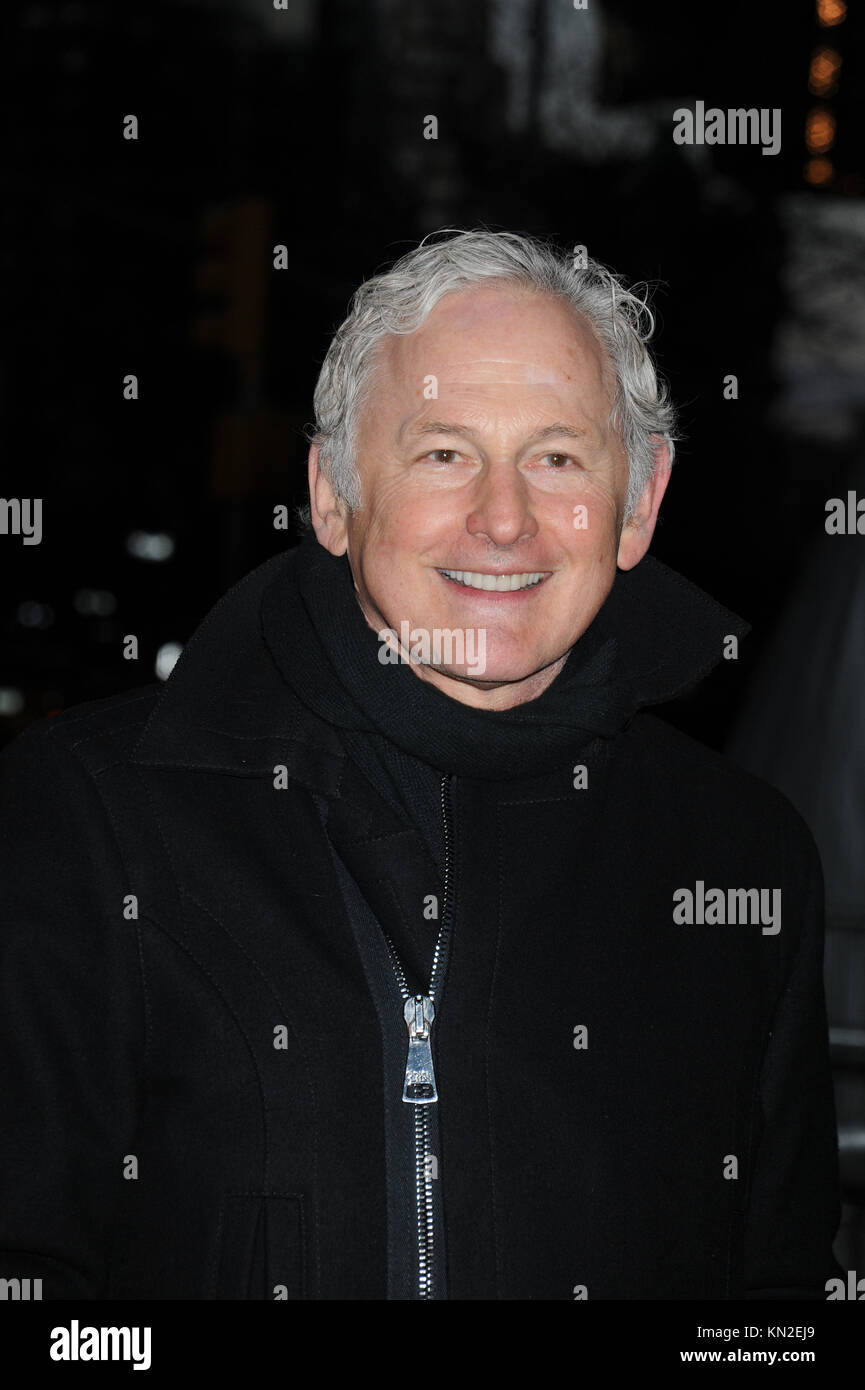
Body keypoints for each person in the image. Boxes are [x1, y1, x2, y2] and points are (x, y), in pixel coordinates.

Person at [0, 229, 842, 1300]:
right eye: (443, 452)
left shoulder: (740, 857)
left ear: (639, 503)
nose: (503, 519)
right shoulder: (89, 815)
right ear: (332, 493)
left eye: (557, 456)